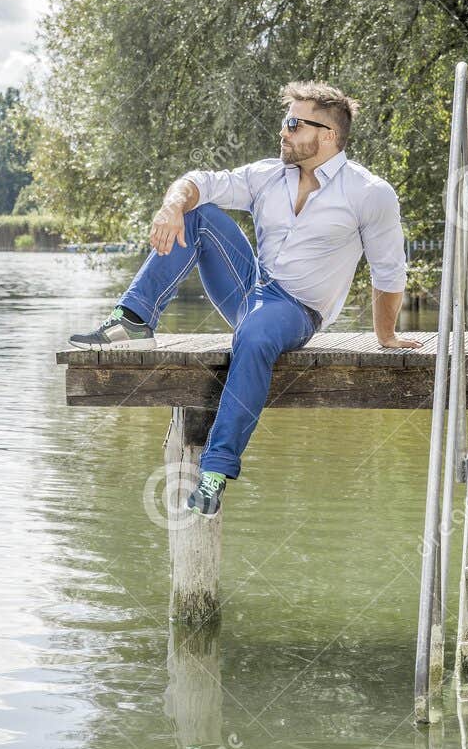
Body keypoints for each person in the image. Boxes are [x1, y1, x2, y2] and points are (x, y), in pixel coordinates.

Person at [69, 81, 420, 516]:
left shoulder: (369, 192)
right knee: (197, 212)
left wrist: (386, 337)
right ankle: (134, 320)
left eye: (294, 123)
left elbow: (389, 270)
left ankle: (215, 471)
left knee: (253, 334)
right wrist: (171, 207)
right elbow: (198, 181)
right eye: (284, 121)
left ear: (328, 134)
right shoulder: (268, 175)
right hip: (250, 288)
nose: (284, 131)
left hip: (295, 310)